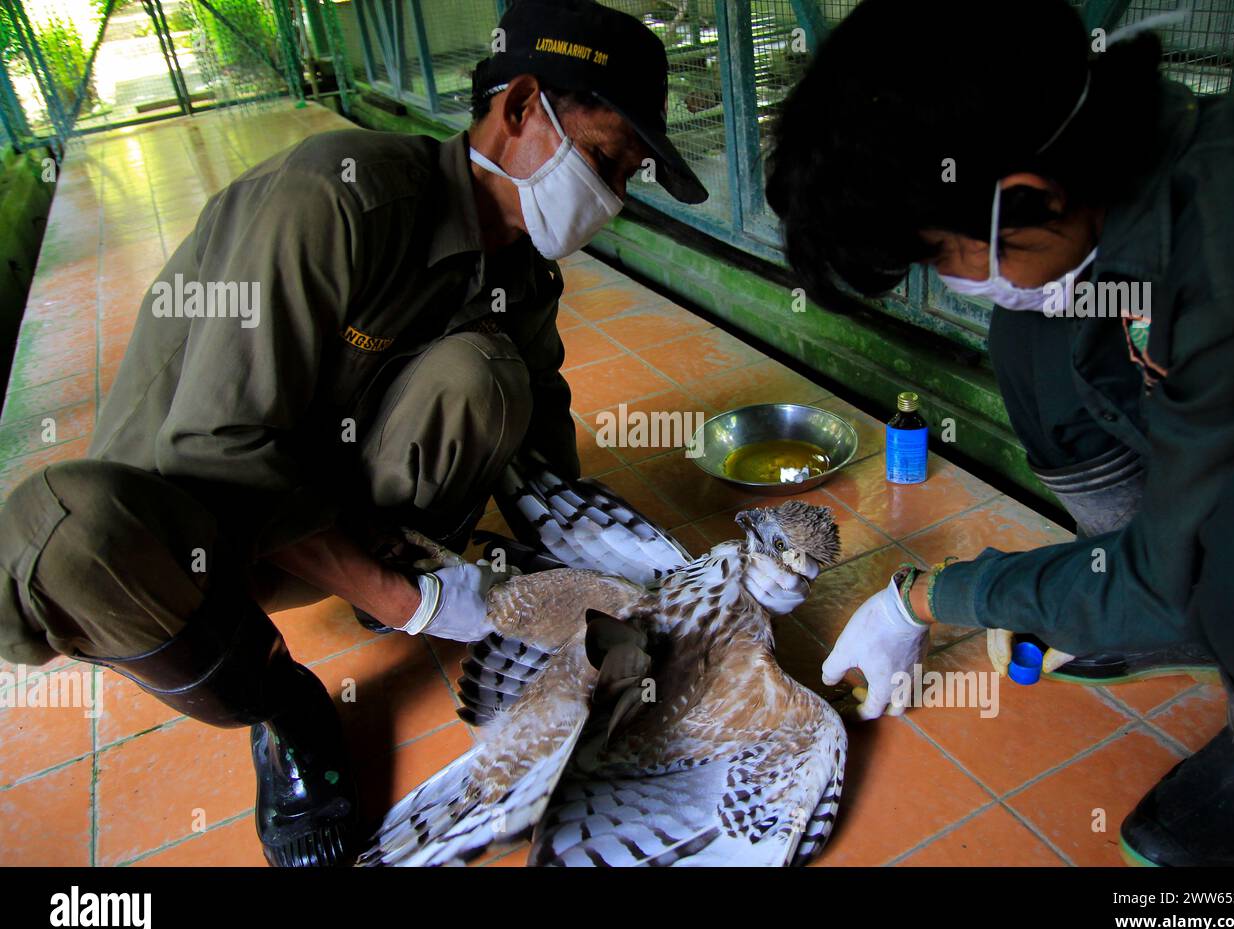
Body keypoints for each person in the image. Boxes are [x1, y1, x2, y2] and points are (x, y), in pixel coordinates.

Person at [0, 0, 709, 867]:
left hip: (336, 512)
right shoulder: (335, 198)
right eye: (604, 158)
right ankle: (279, 704)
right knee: (66, 532)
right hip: (198, 545)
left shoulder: (520, 270)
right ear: (521, 106)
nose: (610, 194)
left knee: (488, 374)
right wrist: (408, 602)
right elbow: (213, 449)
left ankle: (399, 571)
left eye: (624, 176)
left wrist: (596, 577)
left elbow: (541, 434)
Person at [766, 0, 1234, 866]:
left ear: (1029, 196)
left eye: (940, 253)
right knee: (1041, 338)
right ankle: (1150, 600)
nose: (946, 279)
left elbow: (1209, 537)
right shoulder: (1130, 178)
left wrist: (926, 596)